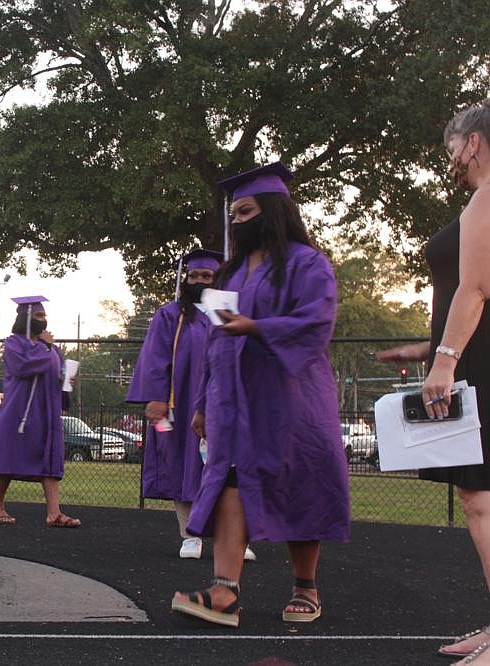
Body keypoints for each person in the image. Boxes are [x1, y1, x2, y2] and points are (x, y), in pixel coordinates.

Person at [170, 162, 350, 627]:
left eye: (245, 210)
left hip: (291, 399)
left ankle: (305, 586)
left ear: (271, 211)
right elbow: (215, 343)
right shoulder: (229, 274)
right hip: (233, 400)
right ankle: (225, 592)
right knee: (230, 483)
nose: (236, 220)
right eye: (233, 212)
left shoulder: (307, 264)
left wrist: (259, 327)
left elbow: (317, 322)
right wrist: (203, 403)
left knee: (299, 484)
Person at [378, 102, 490, 663]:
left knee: (481, 499)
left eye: (451, 144)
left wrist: (443, 363)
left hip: (476, 366)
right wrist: (429, 346)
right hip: (474, 353)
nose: (449, 156)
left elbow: (475, 289)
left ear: (472, 141)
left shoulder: (487, 194)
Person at [127, 248, 255, 561]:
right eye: (194, 275)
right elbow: (155, 359)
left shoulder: (228, 313)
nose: (199, 281)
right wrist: (156, 398)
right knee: (180, 463)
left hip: (226, 401)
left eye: (206, 276)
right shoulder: (170, 315)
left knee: (232, 469)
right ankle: (189, 535)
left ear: (218, 279)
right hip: (179, 404)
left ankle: (234, 537)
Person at [0, 295, 80, 527]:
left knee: (48, 457)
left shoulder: (53, 349)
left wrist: (65, 381)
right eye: (39, 316)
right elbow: (23, 367)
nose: (43, 320)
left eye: (44, 316)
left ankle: (54, 513)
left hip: (46, 412)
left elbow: (55, 372)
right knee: (11, 455)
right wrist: (44, 347)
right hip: (20, 411)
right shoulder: (14, 344)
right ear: (26, 318)